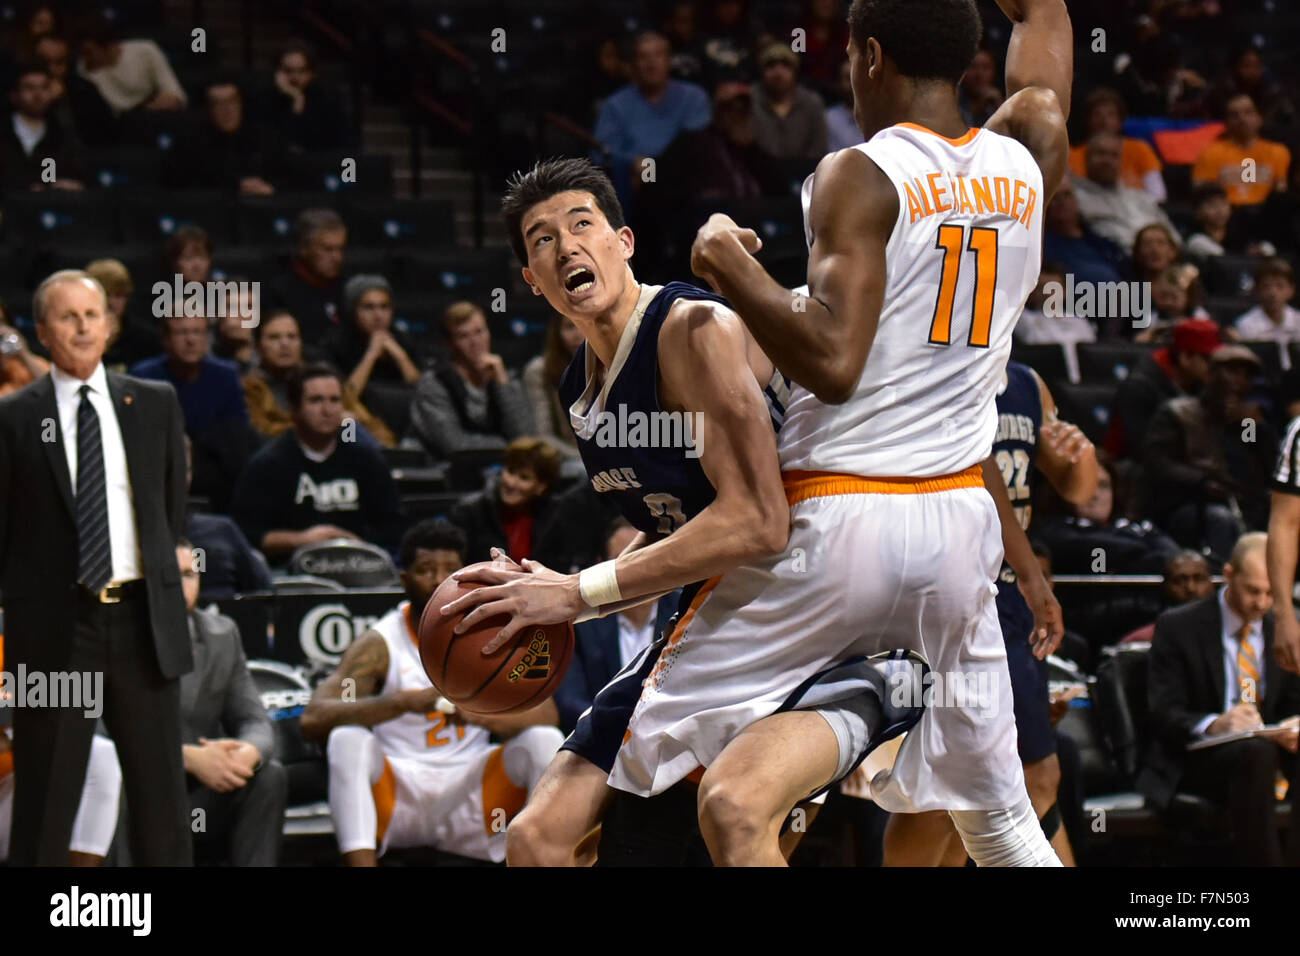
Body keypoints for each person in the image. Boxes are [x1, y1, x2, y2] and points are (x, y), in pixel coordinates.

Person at [609, 0, 1076, 866]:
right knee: (996, 813)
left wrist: (725, 262)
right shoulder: (1028, 155)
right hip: (957, 532)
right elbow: (1044, 48)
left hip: (842, 520)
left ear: (866, 56)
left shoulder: (857, 172)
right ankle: (864, 731)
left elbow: (833, 359)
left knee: (627, 765)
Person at [444, 156, 811, 867]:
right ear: (531, 279)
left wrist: (580, 594)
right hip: (704, 608)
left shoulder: (693, 328)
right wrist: (563, 587)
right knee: (535, 839)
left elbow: (759, 522)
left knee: (728, 832)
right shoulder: (578, 390)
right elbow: (675, 518)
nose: (565, 246)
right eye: (541, 240)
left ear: (624, 241)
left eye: (581, 224)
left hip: (795, 605)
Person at [0, 269, 192, 865]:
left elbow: (169, 508)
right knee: (46, 800)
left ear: (109, 326)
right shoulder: (14, 417)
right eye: (68, 316)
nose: (84, 326)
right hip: (58, 628)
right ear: (42, 331)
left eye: (93, 314)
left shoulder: (154, 403)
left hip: (142, 622)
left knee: (162, 803)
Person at [883, 361, 1098, 867]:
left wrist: (1081, 454)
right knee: (954, 788)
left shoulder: (1027, 382)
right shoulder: (937, 369)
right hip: (955, 585)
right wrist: (1032, 573)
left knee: (977, 785)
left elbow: (1079, 491)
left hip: (1011, 601)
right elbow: (981, 475)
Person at [299, 519, 564, 865]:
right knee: (346, 739)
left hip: (472, 793)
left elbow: (548, 716)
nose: (440, 580)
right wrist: (403, 703)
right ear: (404, 579)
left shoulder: (493, 631)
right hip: (401, 793)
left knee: (543, 739)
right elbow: (314, 718)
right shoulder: (380, 642)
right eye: (426, 569)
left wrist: (476, 710)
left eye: (451, 570)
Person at [1139, 533, 1300, 866]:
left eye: (1271, 593)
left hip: (1270, 749)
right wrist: (1215, 723)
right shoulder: (1178, 626)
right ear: (1228, 575)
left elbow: (1293, 699)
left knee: (1263, 749)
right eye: (1253, 590)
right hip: (1198, 757)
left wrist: (1293, 724)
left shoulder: (1286, 626)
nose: (1262, 602)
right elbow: (1163, 712)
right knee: (1256, 752)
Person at [176, 541, 287, 866]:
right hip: (143, 793)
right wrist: (189, 758)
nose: (181, 586)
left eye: (188, 574)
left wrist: (247, 753)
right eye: (169, 575)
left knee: (268, 776)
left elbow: (255, 721)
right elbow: (101, 737)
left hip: (202, 796)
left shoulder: (221, 634)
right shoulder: (119, 637)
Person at [230, 363, 403, 563]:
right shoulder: (266, 465)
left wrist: (356, 544)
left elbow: (393, 527)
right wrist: (302, 540)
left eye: (334, 400)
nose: (327, 410)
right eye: (315, 400)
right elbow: (246, 535)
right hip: (288, 574)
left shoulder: (367, 460)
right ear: (294, 409)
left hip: (362, 566)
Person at [0, 633, 122, 866]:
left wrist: (13, 735)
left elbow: (64, 706)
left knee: (99, 756)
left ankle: (73, 898)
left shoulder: (17, 632)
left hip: (11, 790)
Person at [552, 518, 681, 734]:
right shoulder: (580, 622)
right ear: (601, 566)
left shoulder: (685, 609)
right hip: (600, 742)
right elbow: (569, 700)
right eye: (624, 562)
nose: (637, 571)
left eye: (644, 559)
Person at [592, 31, 711, 209]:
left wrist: (660, 166)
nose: (651, 64)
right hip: (641, 181)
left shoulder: (693, 97)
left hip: (685, 178)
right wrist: (632, 162)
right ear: (632, 65)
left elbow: (698, 144)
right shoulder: (616, 105)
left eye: (658, 55)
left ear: (669, 61)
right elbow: (601, 152)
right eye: (643, 57)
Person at [244, 309, 394, 446]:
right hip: (286, 455)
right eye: (274, 338)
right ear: (258, 347)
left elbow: (365, 420)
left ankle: (386, 462)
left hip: (339, 454)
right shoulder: (250, 388)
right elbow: (259, 434)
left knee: (350, 426)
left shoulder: (323, 381)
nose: (285, 344)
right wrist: (315, 425)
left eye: (292, 337)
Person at [409, 301, 534, 461]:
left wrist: (503, 385)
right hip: (448, 472)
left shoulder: (504, 376)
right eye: (464, 336)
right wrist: (508, 446)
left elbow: (526, 438)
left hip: (507, 469)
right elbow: (454, 445)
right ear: (450, 344)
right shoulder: (433, 383)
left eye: (479, 332)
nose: (475, 342)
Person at [1105, 317, 1220, 461]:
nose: (1215, 368)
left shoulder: (1204, 382)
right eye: (1208, 360)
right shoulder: (1140, 386)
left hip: (1181, 464)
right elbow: (1144, 451)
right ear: (1185, 357)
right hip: (1134, 466)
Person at [323, 274, 421, 439]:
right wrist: (371, 355)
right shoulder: (337, 344)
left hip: (404, 423)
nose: (378, 316)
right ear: (353, 310)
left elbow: (425, 393)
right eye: (368, 307)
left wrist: (400, 356)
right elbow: (343, 398)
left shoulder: (402, 340)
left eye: (384, 307)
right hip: (357, 424)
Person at [448, 437, 563, 564]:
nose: (511, 483)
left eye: (524, 478)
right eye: (510, 471)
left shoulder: (555, 514)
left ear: (541, 486)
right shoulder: (469, 511)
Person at [166, 75, 278, 195]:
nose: (227, 110)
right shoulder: (189, 145)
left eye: (231, 101)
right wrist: (236, 186)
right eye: (218, 103)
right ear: (208, 109)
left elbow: (288, 177)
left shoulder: (263, 137)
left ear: (241, 103)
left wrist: (271, 189)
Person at [1072, 131, 1180, 251]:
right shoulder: (1076, 199)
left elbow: (1174, 239)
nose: (1107, 161)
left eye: (1114, 155)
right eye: (1101, 153)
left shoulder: (1139, 197)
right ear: (1087, 158)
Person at [1066, 87, 1165, 202]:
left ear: (1120, 121)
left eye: (1111, 115)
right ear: (1088, 120)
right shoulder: (1072, 155)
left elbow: (1158, 194)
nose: (1104, 121)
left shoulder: (1140, 148)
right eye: (1097, 115)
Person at [1193, 94, 1291, 208]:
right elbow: (1202, 193)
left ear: (1260, 118)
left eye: (1248, 112)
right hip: (1227, 214)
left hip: (1266, 213)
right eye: (1235, 115)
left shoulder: (1278, 152)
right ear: (1227, 123)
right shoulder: (1209, 153)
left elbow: (1282, 190)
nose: (1242, 119)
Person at [0, 60, 85, 190]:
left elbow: (73, 173)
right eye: (29, 88)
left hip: (49, 205)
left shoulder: (60, 134)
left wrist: (69, 184)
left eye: (44, 87)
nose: (38, 95)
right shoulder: (3, 131)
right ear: (14, 95)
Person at [264, 208, 347, 341]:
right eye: (327, 249)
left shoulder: (347, 289)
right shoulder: (278, 293)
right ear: (303, 248)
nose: (337, 257)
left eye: (340, 249)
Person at [75, 15, 187, 113]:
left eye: (88, 53)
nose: (84, 59)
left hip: (154, 116)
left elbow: (175, 93)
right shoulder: (83, 71)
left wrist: (169, 101)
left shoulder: (146, 50)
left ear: (109, 46)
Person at [750, 42, 828, 180]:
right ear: (761, 71)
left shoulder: (811, 102)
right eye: (771, 66)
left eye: (786, 65)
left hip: (803, 177)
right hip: (757, 178)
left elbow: (818, 149)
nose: (778, 72)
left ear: (795, 71)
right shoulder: (750, 100)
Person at [263, 39, 349, 152]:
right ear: (278, 72)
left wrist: (299, 100)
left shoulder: (327, 99)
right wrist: (297, 102)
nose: (294, 77)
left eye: (301, 71)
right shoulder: (267, 98)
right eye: (288, 70)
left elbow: (319, 143)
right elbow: (278, 145)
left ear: (311, 73)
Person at [522, 313, 584, 470]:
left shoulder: (611, 365)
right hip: (566, 457)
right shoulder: (539, 371)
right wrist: (587, 459)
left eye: (583, 325)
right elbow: (543, 436)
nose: (578, 334)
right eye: (570, 326)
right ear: (557, 332)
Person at [1118, 550, 1215, 645]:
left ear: (1212, 584)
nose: (1191, 588)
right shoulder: (1139, 641)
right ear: (1165, 586)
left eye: (1199, 579)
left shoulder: (1227, 637)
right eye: (1179, 581)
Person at [88, 258, 158, 372]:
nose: (111, 303)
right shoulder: (76, 335)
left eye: (119, 295)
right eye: (106, 294)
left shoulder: (145, 339)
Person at [1234, 258, 1300, 351]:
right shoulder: (1246, 325)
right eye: (1266, 286)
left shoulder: (1298, 321)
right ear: (1256, 291)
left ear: (1291, 290)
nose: (1273, 293)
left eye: (1279, 286)